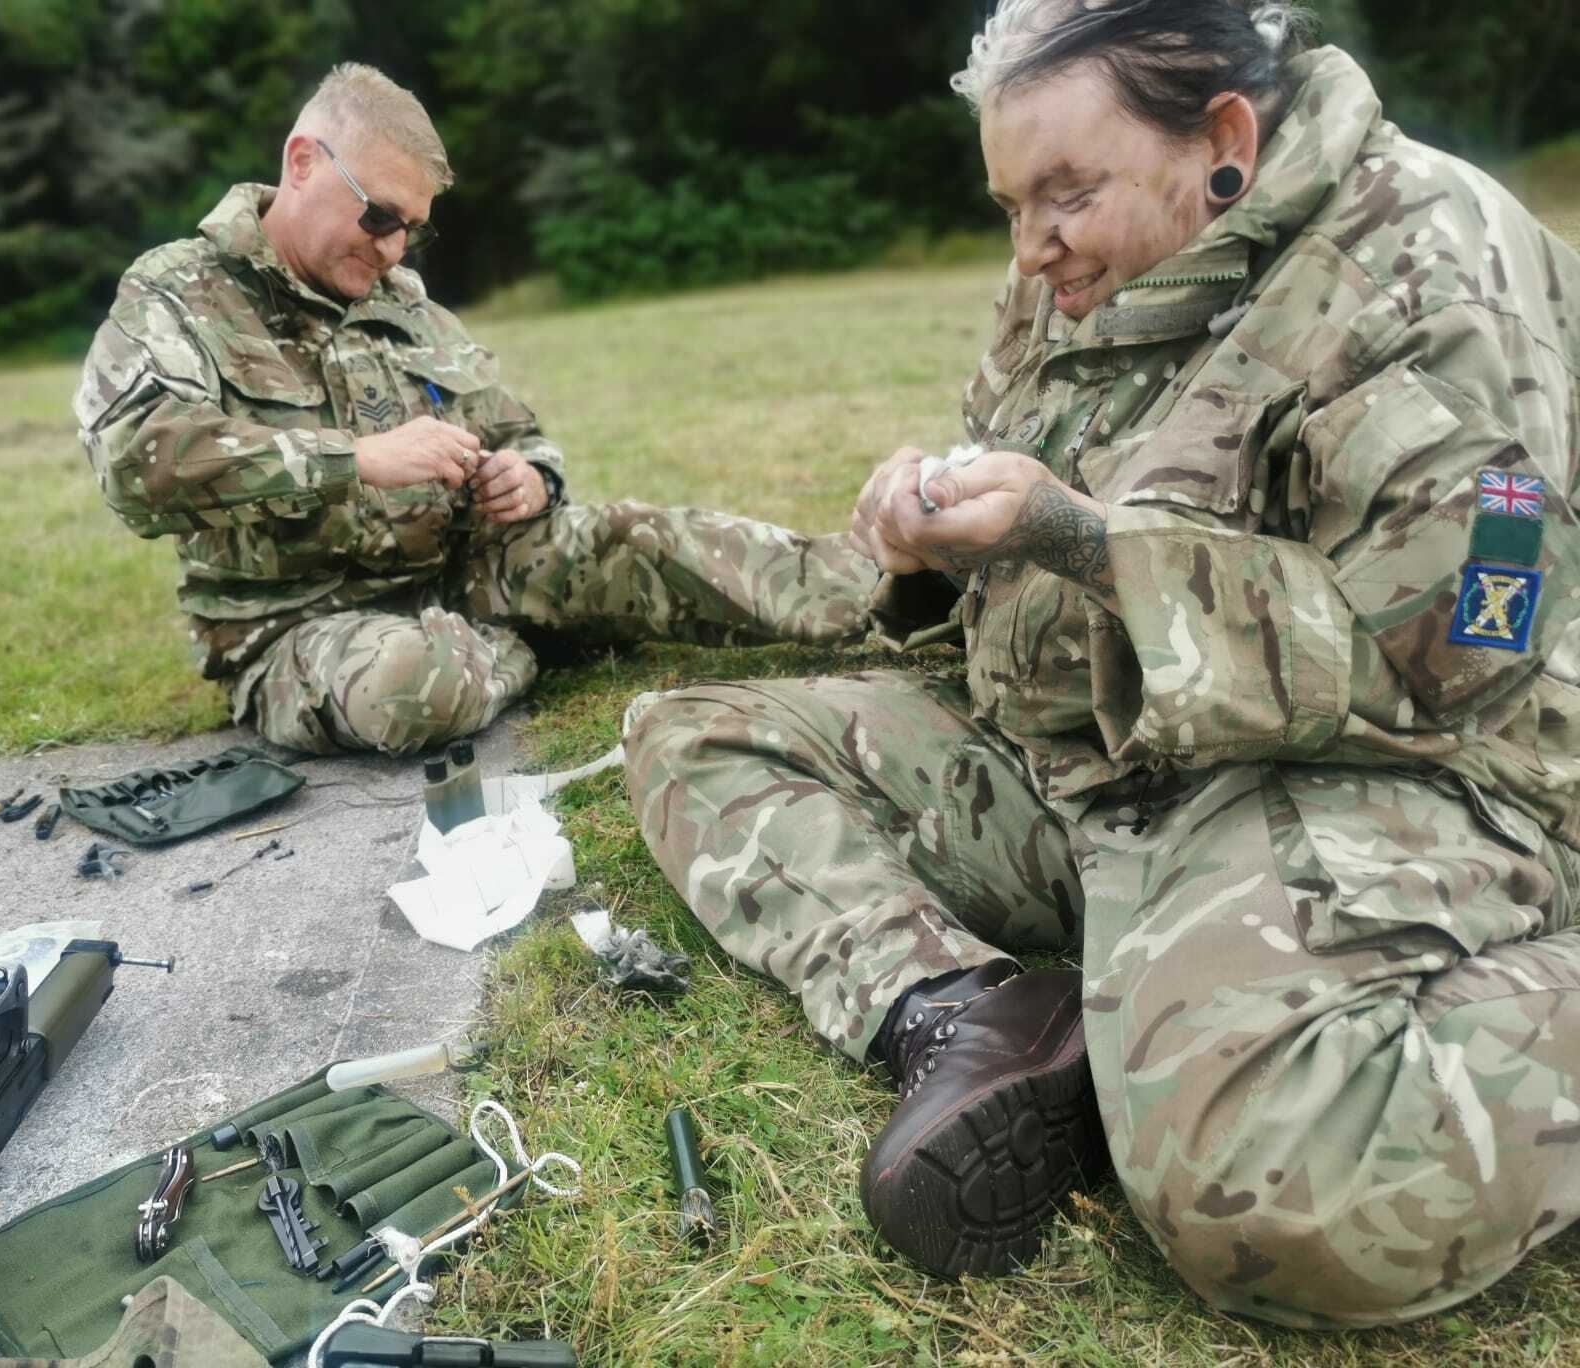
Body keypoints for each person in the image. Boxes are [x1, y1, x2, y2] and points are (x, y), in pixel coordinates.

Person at [623, 0, 1580, 1328]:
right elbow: (1013, 469)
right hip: (1091, 762)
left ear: (1223, 142)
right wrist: (930, 536)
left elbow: (1465, 655)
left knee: (1274, 1193)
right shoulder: (1070, 270)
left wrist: (1080, 540)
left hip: (1368, 773)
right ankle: (978, 1014)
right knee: (691, 739)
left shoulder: (1428, 261)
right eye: (1011, 206)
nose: (1032, 250)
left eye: (1066, 196)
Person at [73, 65, 875, 756]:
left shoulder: (402, 301)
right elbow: (135, 464)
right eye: (379, 216)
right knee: (413, 685)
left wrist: (533, 477)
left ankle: (890, 593)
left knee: (645, 538)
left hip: (467, 576)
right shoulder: (179, 292)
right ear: (303, 161)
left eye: (411, 231)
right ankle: (534, 642)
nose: (392, 248)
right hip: (296, 627)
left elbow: (518, 432)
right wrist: (355, 460)